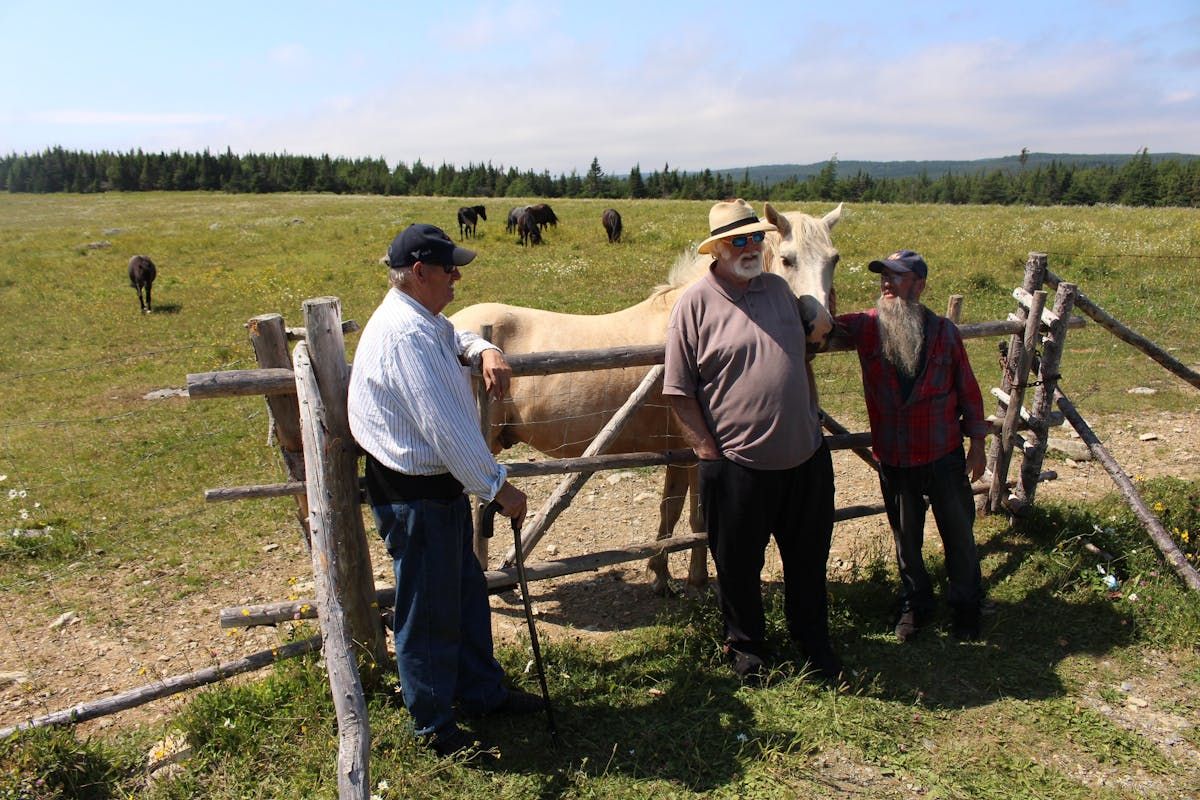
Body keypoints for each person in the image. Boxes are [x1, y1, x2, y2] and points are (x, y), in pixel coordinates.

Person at [347, 223, 544, 759]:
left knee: (463, 595)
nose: (457, 276)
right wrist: (499, 488)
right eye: (449, 268)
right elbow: (448, 432)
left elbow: (453, 336)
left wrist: (484, 347)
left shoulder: (420, 318)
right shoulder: (406, 336)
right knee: (429, 611)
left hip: (433, 489)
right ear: (419, 272)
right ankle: (435, 726)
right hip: (416, 493)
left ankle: (480, 693)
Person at [662, 199, 841, 686]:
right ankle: (747, 650)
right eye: (738, 240)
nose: (750, 247)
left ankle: (814, 643)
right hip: (738, 464)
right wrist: (707, 452)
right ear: (717, 249)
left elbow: (812, 342)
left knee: (808, 560)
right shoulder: (694, 305)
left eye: (757, 237)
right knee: (738, 566)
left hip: (805, 456)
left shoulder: (781, 291)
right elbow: (678, 390)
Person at [834, 250, 989, 642]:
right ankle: (915, 605)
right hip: (896, 457)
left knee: (959, 535)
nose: (886, 282)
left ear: (919, 285)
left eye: (897, 276)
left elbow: (968, 391)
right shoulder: (866, 327)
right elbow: (820, 325)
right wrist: (821, 303)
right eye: (884, 276)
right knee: (907, 539)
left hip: (943, 453)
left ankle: (966, 607)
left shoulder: (945, 333)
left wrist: (978, 445)